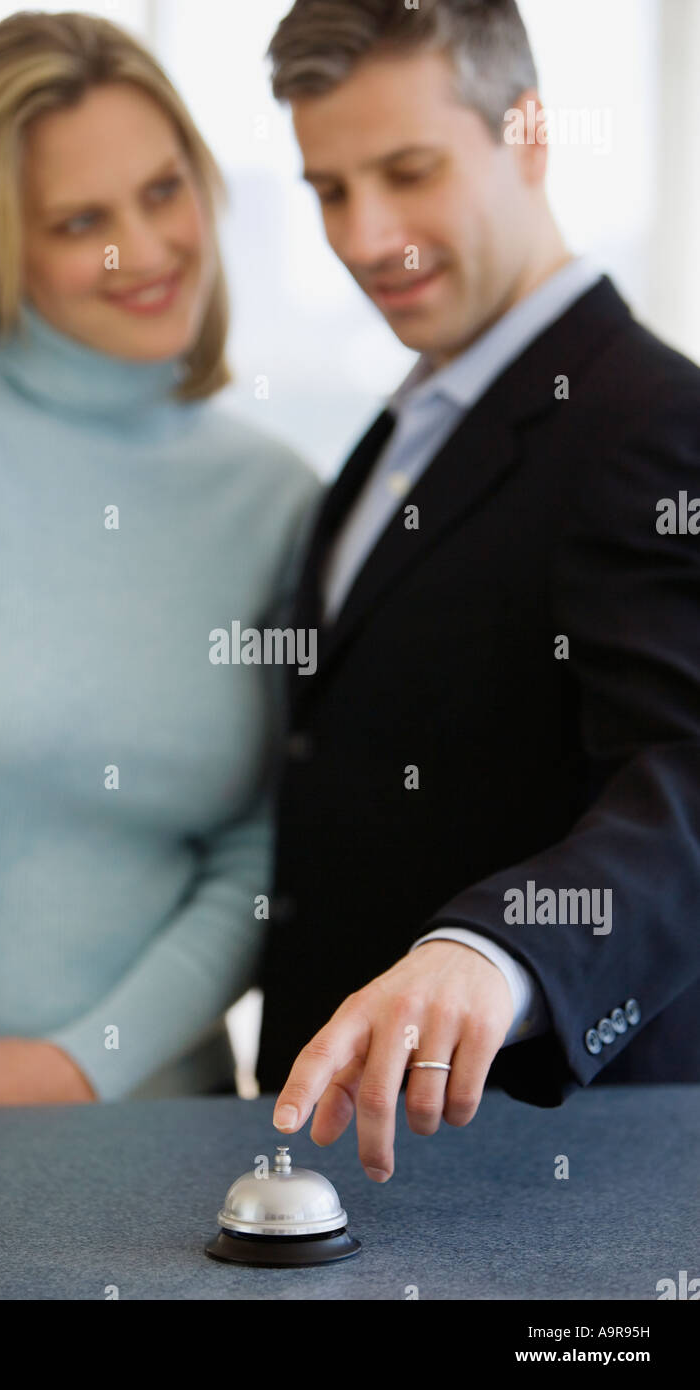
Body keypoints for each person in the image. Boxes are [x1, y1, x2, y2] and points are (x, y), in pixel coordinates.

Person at [0, 11, 319, 1107]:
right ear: (1, 243)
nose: (141, 250)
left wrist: (77, 1067)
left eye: (161, 191)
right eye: (79, 220)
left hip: (166, 1134)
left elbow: (258, 858)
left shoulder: (280, 498)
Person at [255, 0, 700, 1180]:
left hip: (542, 1171)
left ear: (529, 134)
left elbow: (685, 773)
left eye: (408, 172)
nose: (365, 236)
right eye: (327, 189)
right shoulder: (411, 420)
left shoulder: (654, 421)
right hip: (349, 1160)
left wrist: (498, 953)